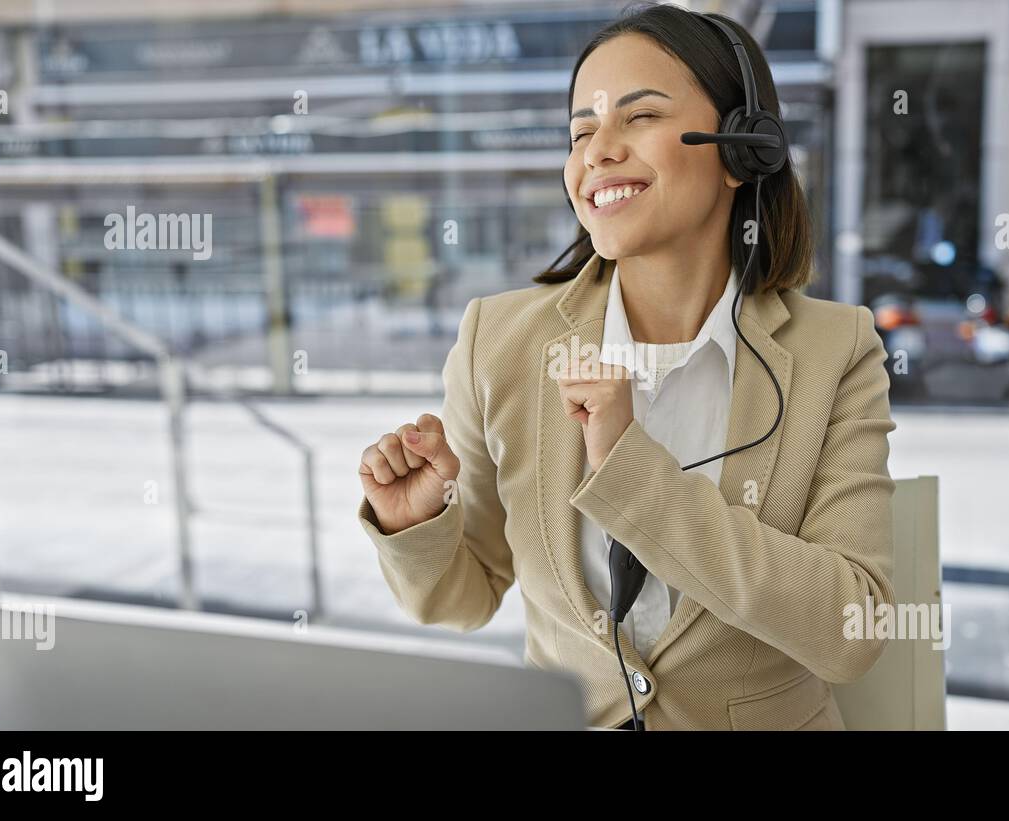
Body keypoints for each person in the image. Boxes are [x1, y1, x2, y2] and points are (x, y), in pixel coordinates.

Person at [355, 3, 897, 731]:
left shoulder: (836, 351)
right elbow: (462, 597)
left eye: (638, 117)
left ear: (741, 148)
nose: (597, 152)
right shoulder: (499, 341)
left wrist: (630, 470)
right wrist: (417, 524)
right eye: (581, 131)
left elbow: (850, 629)